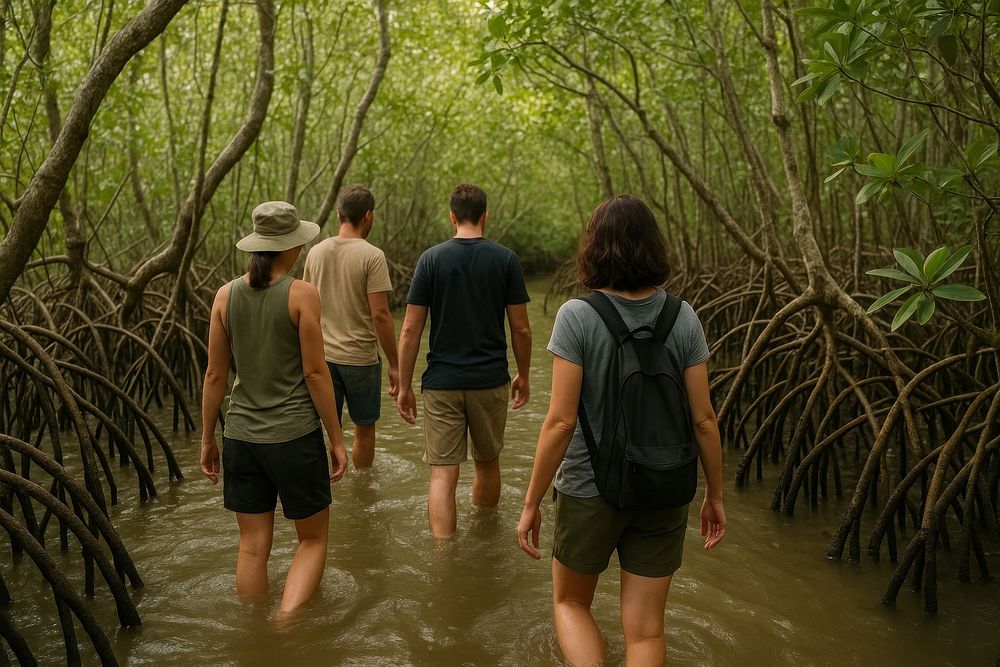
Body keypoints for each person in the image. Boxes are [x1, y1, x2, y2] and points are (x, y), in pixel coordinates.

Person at [516, 195, 727, 665]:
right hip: (665, 485)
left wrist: (531, 503)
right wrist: (714, 493)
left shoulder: (576, 316)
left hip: (591, 489)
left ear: (593, 249)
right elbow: (704, 420)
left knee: (571, 604)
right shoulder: (684, 316)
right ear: (654, 247)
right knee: (647, 634)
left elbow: (560, 420)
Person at [200, 201, 348, 613]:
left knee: (251, 549)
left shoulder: (224, 296)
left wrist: (208, 439)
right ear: (290, 247)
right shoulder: (302, 295)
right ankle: (286, 629)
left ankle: (255, 636)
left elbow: (215, 376)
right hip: (294, 437)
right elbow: (317, 375)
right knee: (313, 540)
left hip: (241, 439)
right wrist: (336, 440)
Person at [396, 183, 532, 538]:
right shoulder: (505, 260)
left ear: (452, 216)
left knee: (442, 473)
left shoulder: (431, 259)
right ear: (486, 215)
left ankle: (444, 556)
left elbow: (410, 330)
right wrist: (524, 375)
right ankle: (485, 536)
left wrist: (405, 385)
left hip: (442, 383)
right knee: (487, 464)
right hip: (490, 380)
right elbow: (521, 330)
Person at [303, 185, 399, 469]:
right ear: (368, 215)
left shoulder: (315, 253)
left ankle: (328, 486)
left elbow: (305, 308)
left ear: (338, 214)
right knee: (364, 429)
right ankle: (362, 490)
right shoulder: (372, 255)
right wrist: (395, 364)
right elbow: (380, 315)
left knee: (322, 428)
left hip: (321, 358)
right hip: (360, 360)